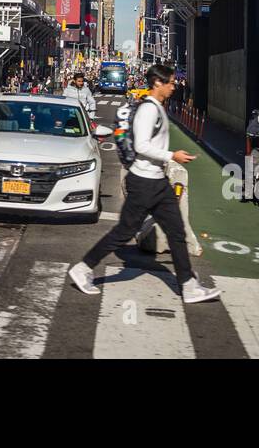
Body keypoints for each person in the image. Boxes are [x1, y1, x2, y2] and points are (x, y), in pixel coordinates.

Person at [69, 62, 221, 304]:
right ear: (157, 83)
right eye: (170, 83)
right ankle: (83, 268)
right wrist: (173, 155)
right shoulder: (148, 110)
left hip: (158, 182)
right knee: (124, 232)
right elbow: (141, 146)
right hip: (143, 182)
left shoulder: (158, 107)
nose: (174, 87)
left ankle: (189, 285)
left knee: (176, 231)